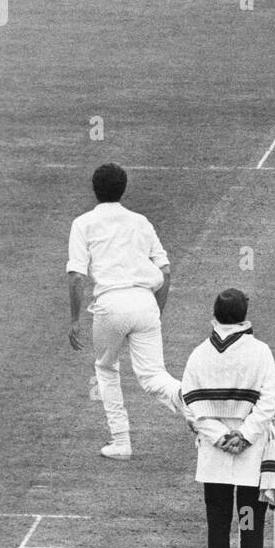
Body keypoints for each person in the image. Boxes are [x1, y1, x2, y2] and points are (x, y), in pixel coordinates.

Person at [67, 163, 183, 459]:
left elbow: (77, 276)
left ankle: (121, 442)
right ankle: (200, 411)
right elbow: (165, 271)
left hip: (110, 304)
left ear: (94, 189)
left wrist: (74, 320)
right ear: (124, 188)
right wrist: (156, 312)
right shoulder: (141, 222)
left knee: (106, 368)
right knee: (154, 377)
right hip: (144, 302)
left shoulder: (83, 223)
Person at [179, 289, 275, 548]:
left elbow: (190, 404)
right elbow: (269, 400)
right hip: (249, 450)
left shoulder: (198, 354)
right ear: (244, 315)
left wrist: (220, 437)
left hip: (214, 452)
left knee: (219, 521)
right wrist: (246, 435)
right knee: (249, 519)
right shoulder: (260, 351)